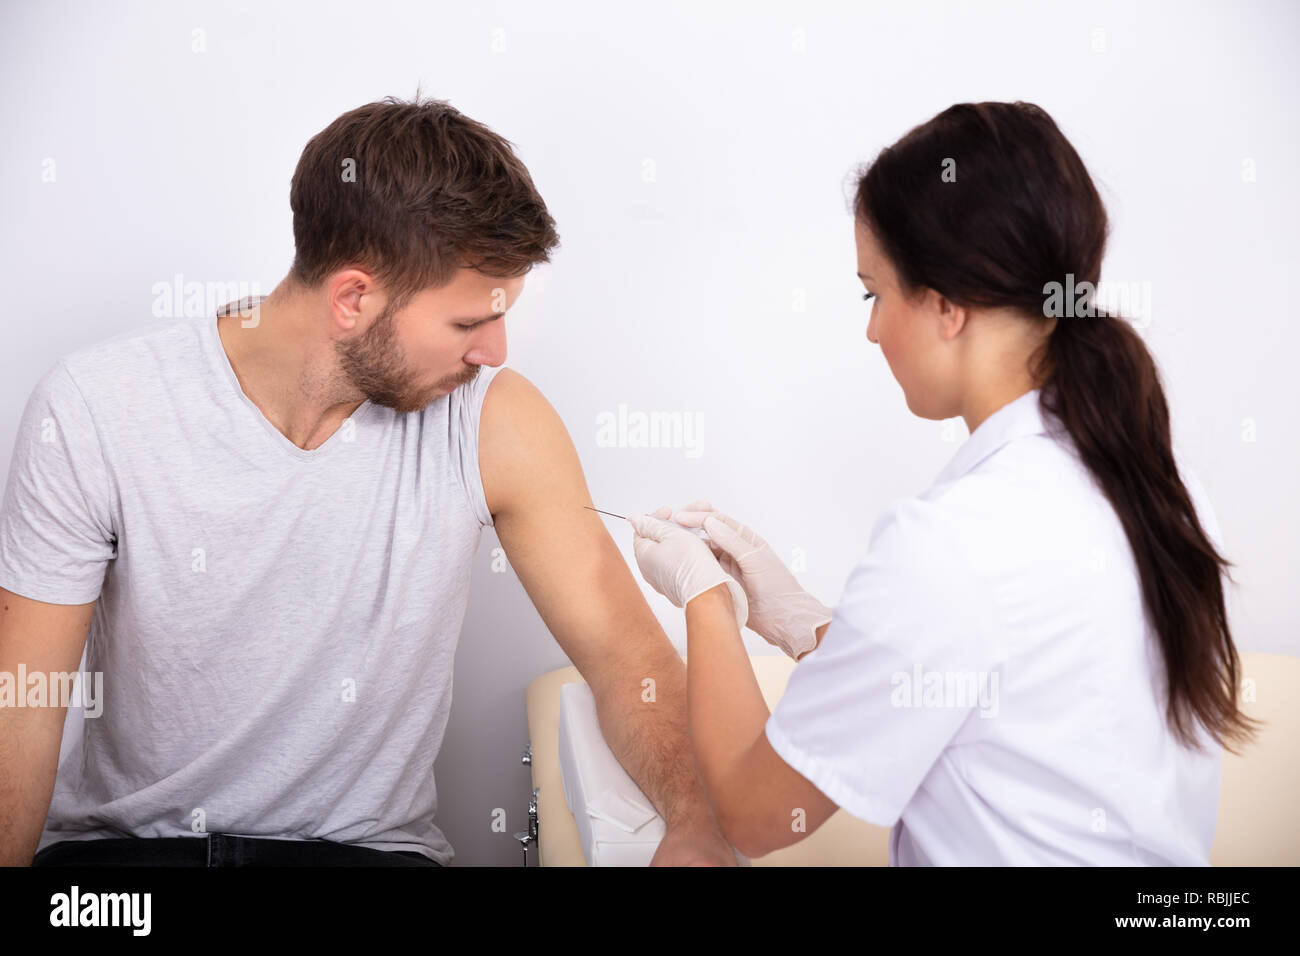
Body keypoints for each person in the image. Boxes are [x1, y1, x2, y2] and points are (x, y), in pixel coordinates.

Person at [0, 95, 739, 867]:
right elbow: (22, 705)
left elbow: (627, 662)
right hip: (132, 863)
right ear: (353, 298)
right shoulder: (97, 408)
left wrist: (696, 825)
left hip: (364, 858)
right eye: (468, 323)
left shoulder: (495, 422)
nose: (495, 352)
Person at [627, 101, 1260, 866]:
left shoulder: (954, 542)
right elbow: (998, 697)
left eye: (874, 294)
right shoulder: (1161, 488)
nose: (871, 330)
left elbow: (756, 815)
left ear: (946, 305)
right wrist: (806, 625)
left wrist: (705, 600)